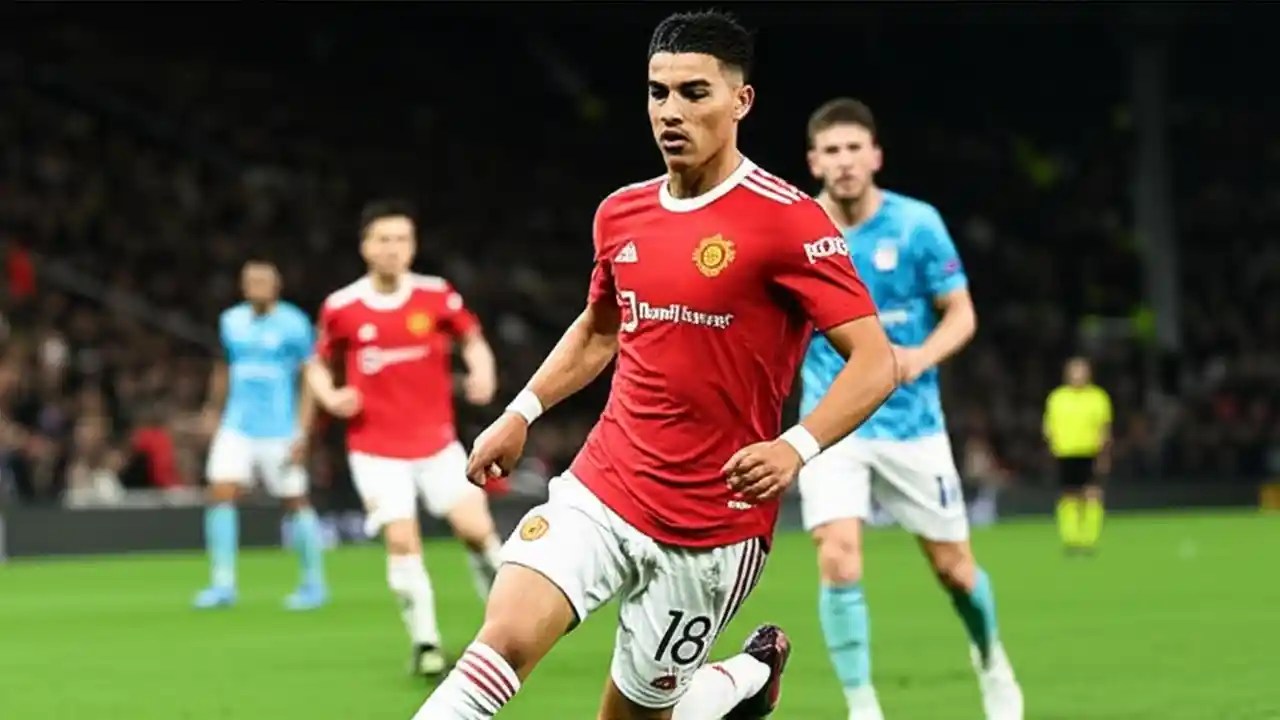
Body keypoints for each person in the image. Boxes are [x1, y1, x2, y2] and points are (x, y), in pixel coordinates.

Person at [414, 12, 896, 720]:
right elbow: (598, 330)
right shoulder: (622, 213)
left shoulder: (788, 221)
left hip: (714, 524)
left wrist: (795, 447)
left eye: (694, 93)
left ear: (741, 101)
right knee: (503, 642)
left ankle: (744, 678)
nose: (671, 112)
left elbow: (875, 361)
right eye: (657, 92)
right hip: (604, 484)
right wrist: (521, 412)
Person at [797, 98, 1024, 720]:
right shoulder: (796, 231)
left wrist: (921, 357)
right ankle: (862, 706)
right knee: (838, 556)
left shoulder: (917, 224)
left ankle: (991, 659)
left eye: (854, 149)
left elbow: (962, 313)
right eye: (832, 151)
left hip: (912, 424)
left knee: (954, 570)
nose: (844, 162)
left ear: (875, 156)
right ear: (814, 162)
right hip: (831, 424)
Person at [305, 199, 503, 677]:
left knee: (477, 532)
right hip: (375, 449)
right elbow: (316, 364)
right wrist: (330, 395)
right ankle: (426, 643)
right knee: (402, 540)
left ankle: (503, 628)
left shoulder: (436, 295)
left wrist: (482, 372)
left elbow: (473, 339)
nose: (393, 248)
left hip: (437, 443)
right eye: (383, 239)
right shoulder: (343, 306)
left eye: (402, 239)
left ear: (413, 246)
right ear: (365, 247)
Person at [194, 260, 328, 611]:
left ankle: (313, 583)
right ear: (243, 286)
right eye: (251, 281)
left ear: (277, 285)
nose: (257, 286)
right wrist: (213, 409)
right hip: (236, 425)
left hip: (279, 429)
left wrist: (302, 430)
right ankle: (223, 583)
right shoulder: (231, 321)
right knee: (220, 493)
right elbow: (223, 367)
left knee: (294, 500)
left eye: (264, 281)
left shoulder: (295, 323)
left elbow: (310, 378)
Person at [1043, 356, 1112, 553]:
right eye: (1074, 371)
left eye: (1081, 371)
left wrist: (1104, 454)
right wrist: (1051, 447)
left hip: (1090, 451)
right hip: (1065, 453)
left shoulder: (1098, 397)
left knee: (1092, 493)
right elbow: (1048, 426)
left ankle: (1089, 538)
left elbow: (1104, 427)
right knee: (1069, 494)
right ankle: (1071, 538)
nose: (1078, 375)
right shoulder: (1057, 398)